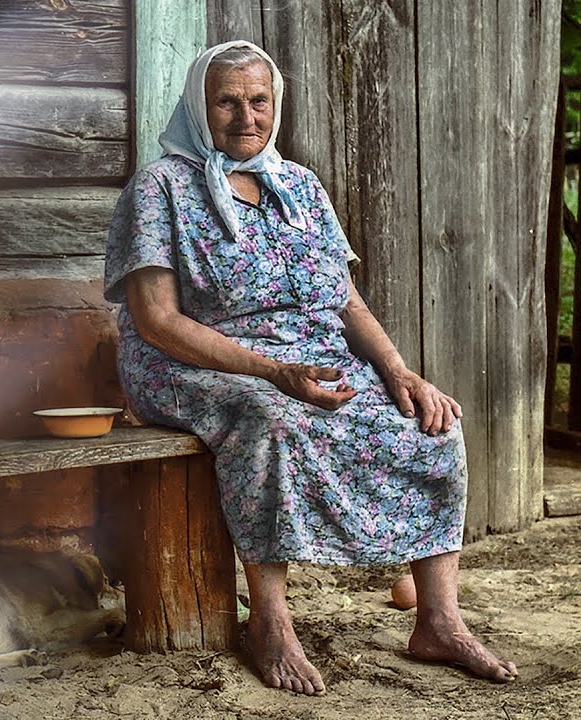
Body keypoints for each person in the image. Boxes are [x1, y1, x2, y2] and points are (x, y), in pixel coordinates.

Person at [103, 40, 518, 695]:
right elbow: (156, 319)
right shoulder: (161, 187)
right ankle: (269, 621)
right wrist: (271, 370)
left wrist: (399, 371)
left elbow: (345, 299)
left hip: (308, 362)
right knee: (270, 421)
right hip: (191, 362)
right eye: (227, 102)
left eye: (259, 100)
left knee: (431, 422)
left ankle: (439, 621)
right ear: (198, 107)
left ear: (276, 105)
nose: (247, 116)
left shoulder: (298, 185)